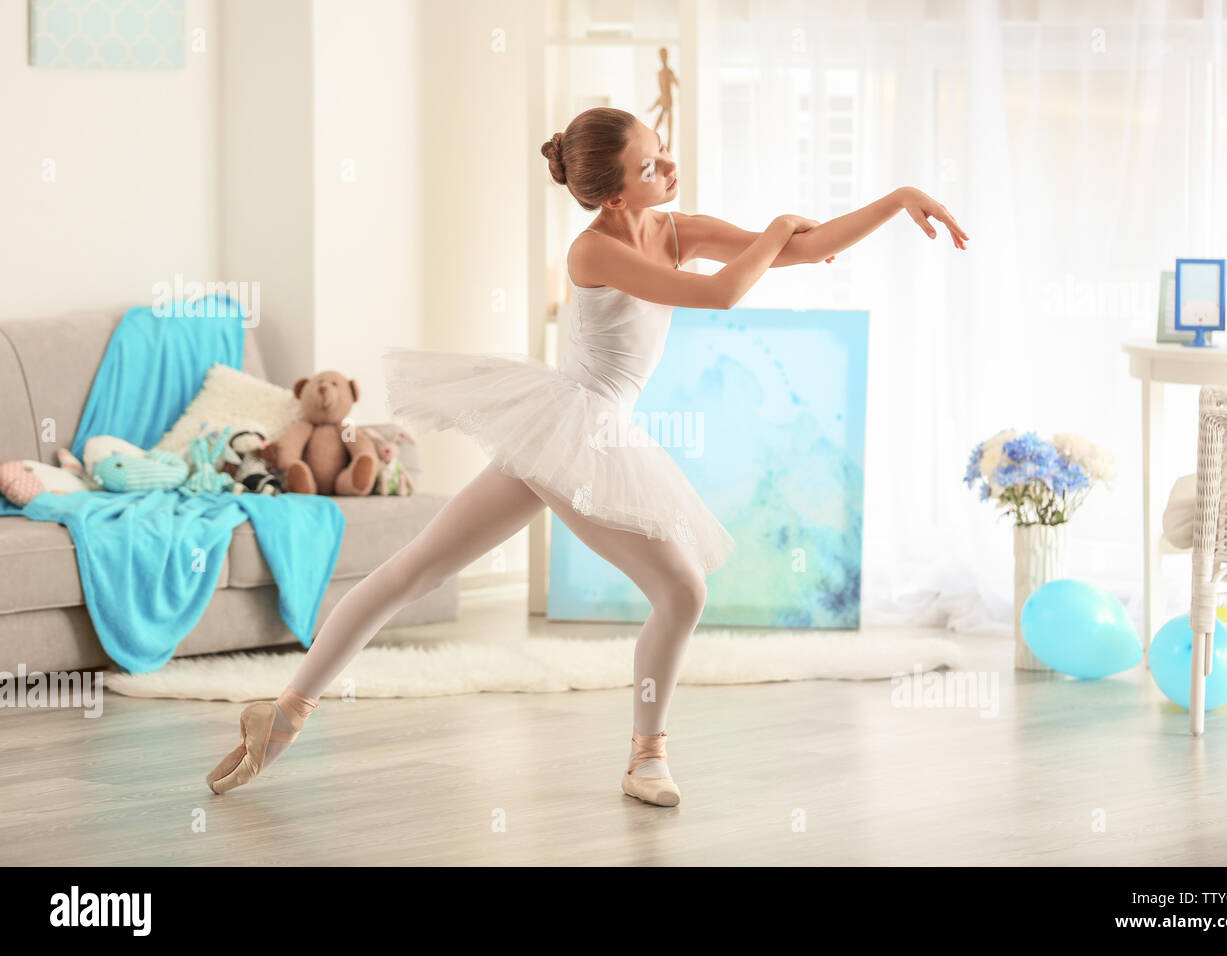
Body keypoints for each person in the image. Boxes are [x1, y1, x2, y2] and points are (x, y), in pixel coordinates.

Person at [205, 106, 970, 807]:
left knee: (421, 570)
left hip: (573, 428)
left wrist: (897, 199)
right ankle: (645, 756)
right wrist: (772, 230)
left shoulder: (672, 228)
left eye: (663, 153)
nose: (667, 170)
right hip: (580, 424)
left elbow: (804, 250)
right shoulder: (595, 249)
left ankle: (283, 712)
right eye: (650, 166)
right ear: (612, 195)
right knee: (681, 589)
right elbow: (722, 295)